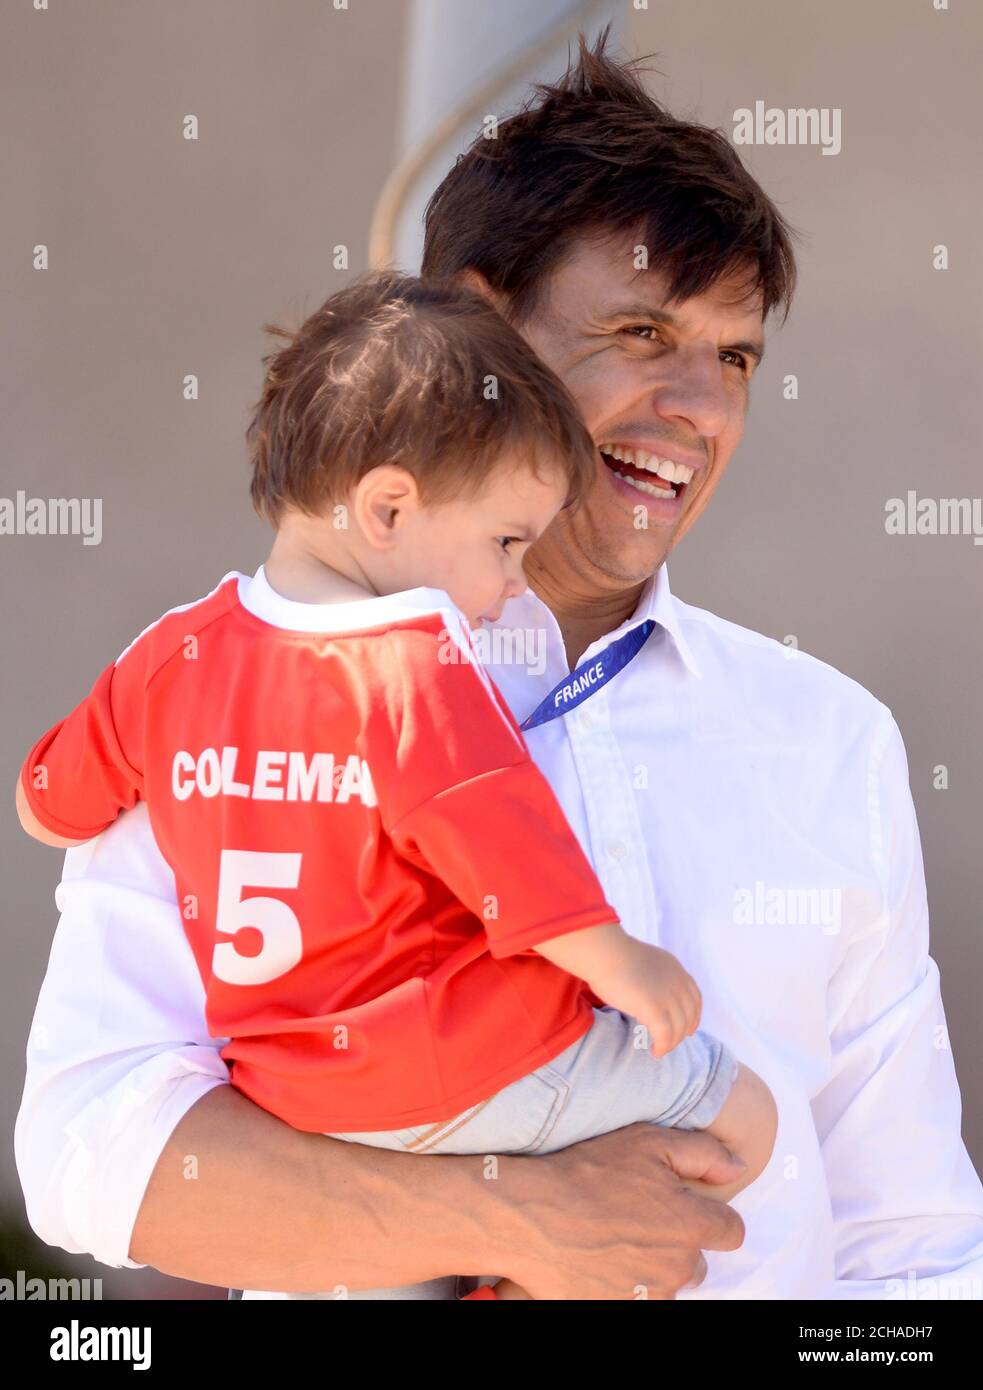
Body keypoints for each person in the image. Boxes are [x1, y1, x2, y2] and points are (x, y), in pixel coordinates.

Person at [15, 33, 983, 1300]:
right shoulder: (237, 689)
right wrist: (513, 1221)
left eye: (733, 357)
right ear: (481, 329)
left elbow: (910, 1243)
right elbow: (92, 1155)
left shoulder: (828, 739)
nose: (699, 404)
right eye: (643, 330)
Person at [15, 271, 776, 1302]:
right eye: (503, 543)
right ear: (386, 508)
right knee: (742, 1117)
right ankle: (537, 1267)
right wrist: (624, 966)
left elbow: (49, 801)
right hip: (470, 1065)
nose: (510, 582)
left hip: (299, 1106)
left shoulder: (168, 655)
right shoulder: (414, 668)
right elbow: (508, 858)